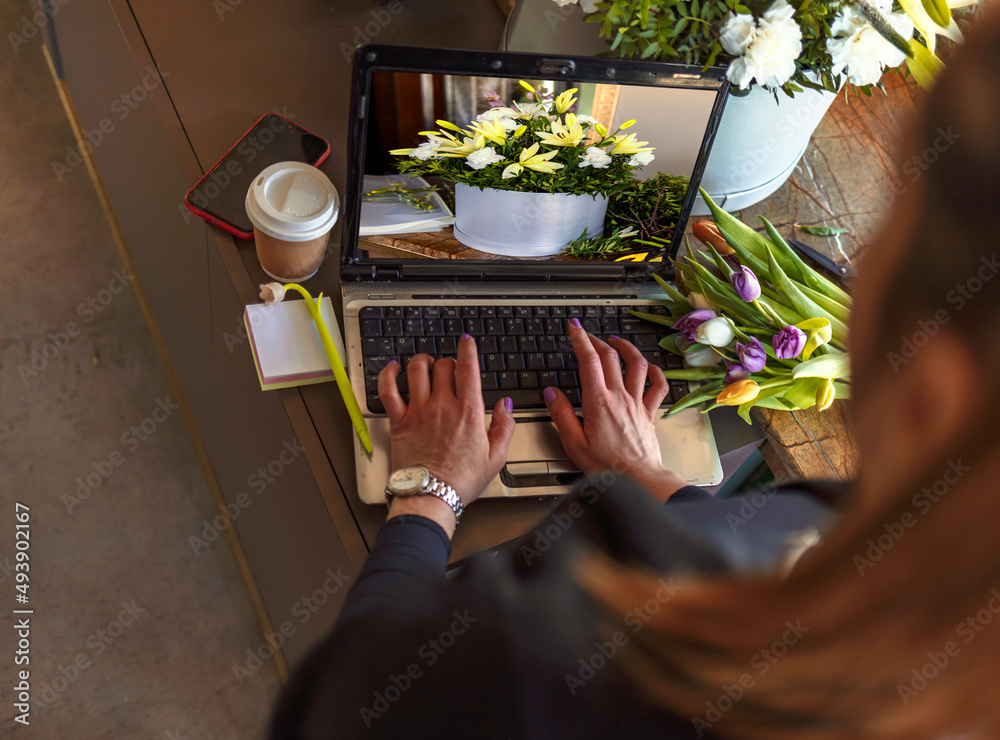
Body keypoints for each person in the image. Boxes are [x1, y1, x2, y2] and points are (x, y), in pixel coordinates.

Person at [270, 7, 1000, 738]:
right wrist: (646, 481)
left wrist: (427, 493)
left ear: (930, 392)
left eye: (877, 246)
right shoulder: (848, 539)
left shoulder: (545, 647)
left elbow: (338, 701)